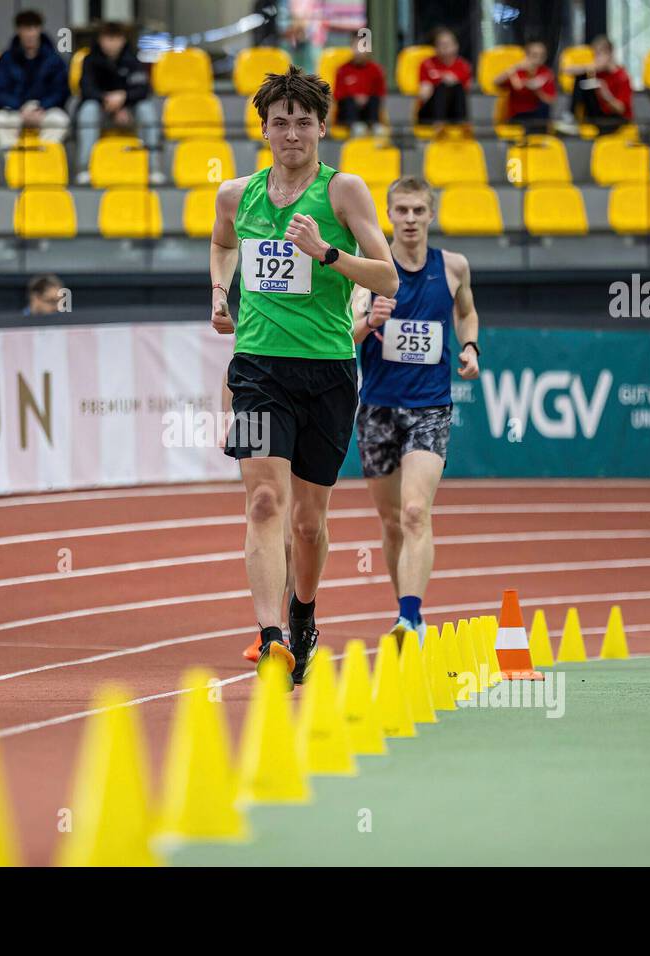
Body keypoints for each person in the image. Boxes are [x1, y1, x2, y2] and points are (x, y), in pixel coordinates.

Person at [209, 65, 398, 685]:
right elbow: (221, 243)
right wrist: (219, 292)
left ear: (322, 128)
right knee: (264, 500)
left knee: (307, 522)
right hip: (260, 366)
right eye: (280, 122)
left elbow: (388, 278)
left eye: (304, 123)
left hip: (328, 371)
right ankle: (270, 639)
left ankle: (304, 614)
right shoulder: (237, 196)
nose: (292, 133)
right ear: (264, 129)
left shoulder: (345, 192)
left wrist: (326, 254)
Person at [350, 178, 479, 645]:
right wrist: (370, 321)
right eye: (400, 210)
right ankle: (406, 610)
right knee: (390, 523)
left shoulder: (454, 267)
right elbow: (345, 337)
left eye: (417, 211)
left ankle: (410, 617)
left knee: (413, 512)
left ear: (430, 215)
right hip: (378, 409)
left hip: (429, 407)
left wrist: (469, 346)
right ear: (388, 214)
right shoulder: (369, 269)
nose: (408, 219)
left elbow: (466, 312)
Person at [75, 21, 160, 184]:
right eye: (108, 38)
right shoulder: (89, 60)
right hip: (101, 111)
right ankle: (84, 169)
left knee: (146, 109)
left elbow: (143, 89)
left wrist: (124, 98)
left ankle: (153, 169)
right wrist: (107, 101)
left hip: (128, 113)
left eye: (116, 38)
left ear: (123, 40)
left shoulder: (133, 60)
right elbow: (86, 89)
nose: (112, 43)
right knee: (87, 110)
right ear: (100, 40)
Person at [0, 9, 70, 151]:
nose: (29, 34)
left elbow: (61, 90)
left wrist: (41, 106)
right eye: (25, 29)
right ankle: (12, 162)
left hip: (44, 110)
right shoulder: (6, 58)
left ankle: (43, 161)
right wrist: (19, 107)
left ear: (39, 29)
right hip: (16, 110)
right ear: (18, 31)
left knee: (60, 121)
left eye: (33, 28)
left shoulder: (54, 59)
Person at [556, 35, 632, 136]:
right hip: (596, 115)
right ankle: (571, 117)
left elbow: (621, 109)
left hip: (616, 119)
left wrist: (606, 95)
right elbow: (566, 70)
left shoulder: (622, 76)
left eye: (598, 55)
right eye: (594, 55)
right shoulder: (597, 73)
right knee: (582, 76)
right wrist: (588, 67)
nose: (595, 59)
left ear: (609, 54)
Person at [416, 27, 473, 134]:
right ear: (435, 47)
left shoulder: (463, 66)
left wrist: (451, 81)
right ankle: (439, 124)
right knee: (441, 86)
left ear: (456, 46)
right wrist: (429, 88)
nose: (445, 48)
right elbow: (423, 95)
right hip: (429, 112)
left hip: (452, 112)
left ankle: (462, 124)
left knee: (456, 86)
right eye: (442, 44)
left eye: (448, 44)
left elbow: (464, 92)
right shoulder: (427, 64)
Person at [494, 38, 556, 134]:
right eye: (535, 55)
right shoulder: (517, 71)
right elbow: (496, 82)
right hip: (517, 116)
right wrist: (514, 68)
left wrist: (537, 90)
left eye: (542, 55)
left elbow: (550, 100)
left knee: (543, 109)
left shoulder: (546, 73)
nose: (538, 59)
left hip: (537, 117)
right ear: (526, 55)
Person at [333, 32, 387, 138]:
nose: (359, 51)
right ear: (351, 48)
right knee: (348, 101)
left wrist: (365, 98)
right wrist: (356, 98)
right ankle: (355, 127)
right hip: (348, 113)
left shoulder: (376, 70)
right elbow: (338, 95)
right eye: (356, 47)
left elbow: (380, 94)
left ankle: (374, 126)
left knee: (373, 100)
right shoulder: (342, 70)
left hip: (367, 111)